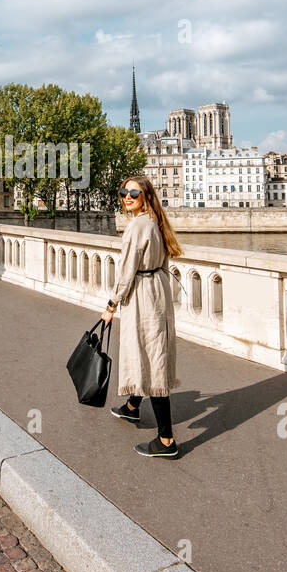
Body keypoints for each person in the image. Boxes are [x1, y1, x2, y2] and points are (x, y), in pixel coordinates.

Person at [101, 175, 185, 458]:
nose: (127, 197)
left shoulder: (138, 225)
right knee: (151, 352)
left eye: (133, 193)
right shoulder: (154, 222)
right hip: (157, 290)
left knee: (151, 359)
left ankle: (166, 440)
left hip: (143, 295)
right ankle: (132, 407)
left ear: (145, 196)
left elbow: (127, 270)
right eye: (123, 191)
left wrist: (112, 304)